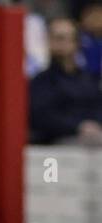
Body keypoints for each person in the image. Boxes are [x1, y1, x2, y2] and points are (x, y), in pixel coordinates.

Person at [29, 17, 102, 145]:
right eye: (54, 38)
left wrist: (94, 124)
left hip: (94, 136)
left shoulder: (90, 80)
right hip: (58, 143)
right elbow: (43, 118)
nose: (58, 44)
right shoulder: (40, 82)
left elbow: (97, 107)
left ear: (76, 43)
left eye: (62, 38)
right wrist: (78, 126)